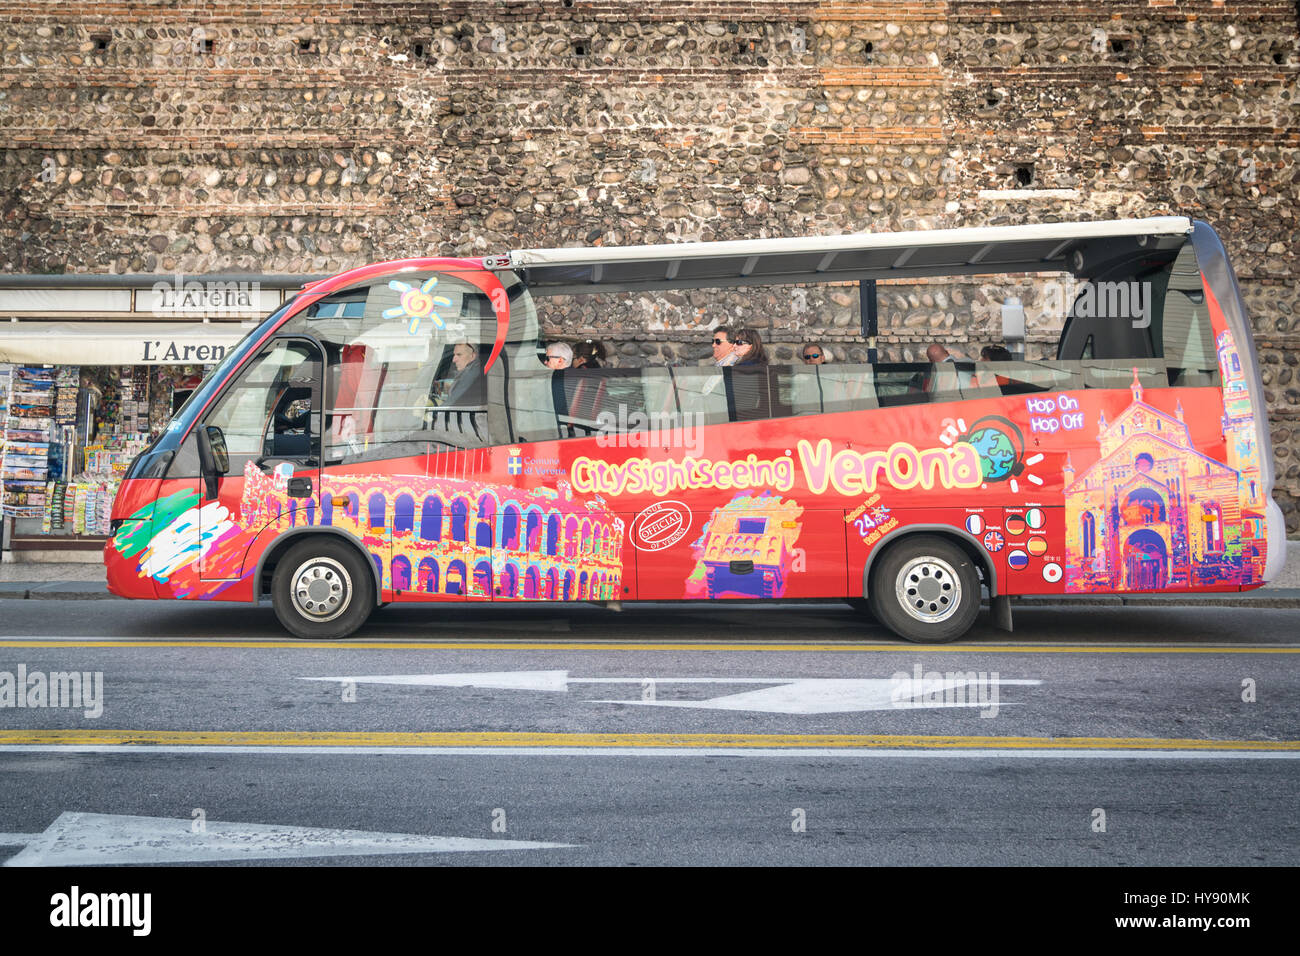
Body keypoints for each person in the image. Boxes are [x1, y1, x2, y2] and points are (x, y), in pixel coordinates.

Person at [444, 342, 485, 406]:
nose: (453, 360)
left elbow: (450, 404)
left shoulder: (471, 374)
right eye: (454, 355)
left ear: (472, 356)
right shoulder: (473, 371)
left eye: (459, 355)